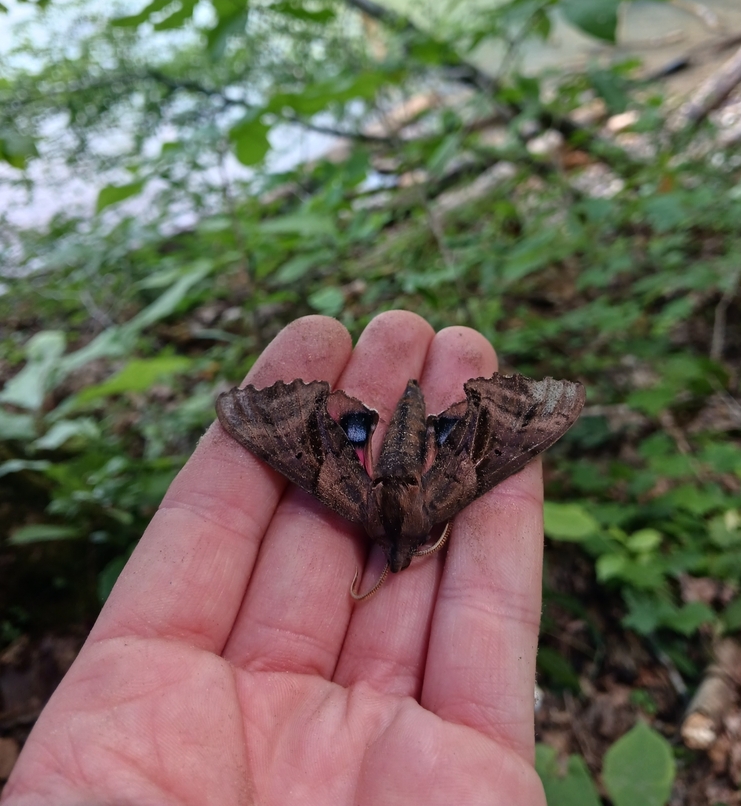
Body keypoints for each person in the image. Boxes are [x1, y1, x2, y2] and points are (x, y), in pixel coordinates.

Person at [3, 312, 547, 805]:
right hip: (415, 444)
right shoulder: (419, 503)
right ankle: (416, 428)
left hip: (378, 440)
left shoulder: (356, 502)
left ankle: (365, 430)